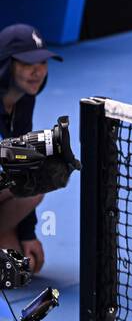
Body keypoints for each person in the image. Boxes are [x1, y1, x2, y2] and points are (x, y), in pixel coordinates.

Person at [0, 24, 63, 275]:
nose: (37, 72)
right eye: (27, 64)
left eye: (42, 63)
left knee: (22, 270)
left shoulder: (24, 99)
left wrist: (27, 235)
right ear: (7, 65)